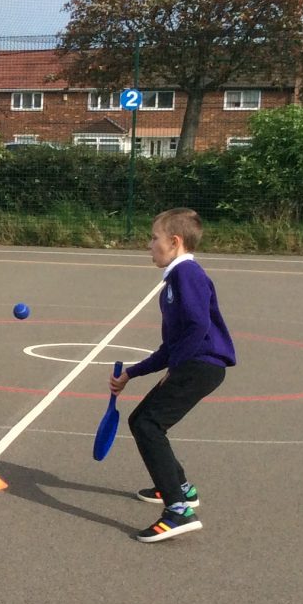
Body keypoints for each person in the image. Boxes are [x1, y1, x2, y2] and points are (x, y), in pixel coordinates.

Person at [109, 208, 236, 543]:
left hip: (200, 365)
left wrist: (177, 368)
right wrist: (132, 374)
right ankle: (180, 487)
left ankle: (178, 509)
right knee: (143, 421)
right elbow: (170, 345)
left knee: (148, 424)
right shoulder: (175, 279)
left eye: (154, 238)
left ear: (175, 241)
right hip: (196, 363)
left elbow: (198, 326)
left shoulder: (187, 275)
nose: (150, 245)